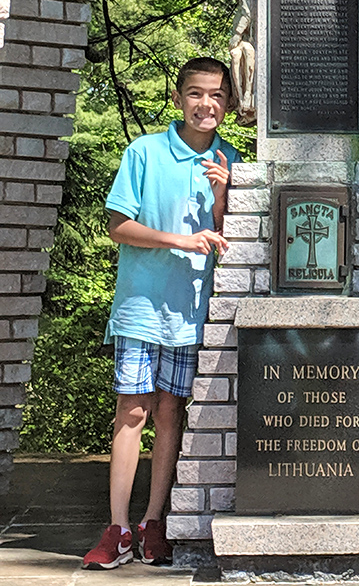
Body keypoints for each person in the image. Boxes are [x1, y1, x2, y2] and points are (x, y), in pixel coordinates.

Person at [83, 57, 242, 570]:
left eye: (217, 95)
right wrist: (180, 239)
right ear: (178, 98)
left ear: (229, 103)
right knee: (132, 412)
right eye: (196, 93)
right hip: (140, 307)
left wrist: (222, 194)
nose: (206, 104)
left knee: (172, 413)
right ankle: (117, 527)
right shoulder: (144, 152)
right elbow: (117, 225)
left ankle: (155, 523)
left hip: (189, 313)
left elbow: (231, 244)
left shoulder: (232, 159)